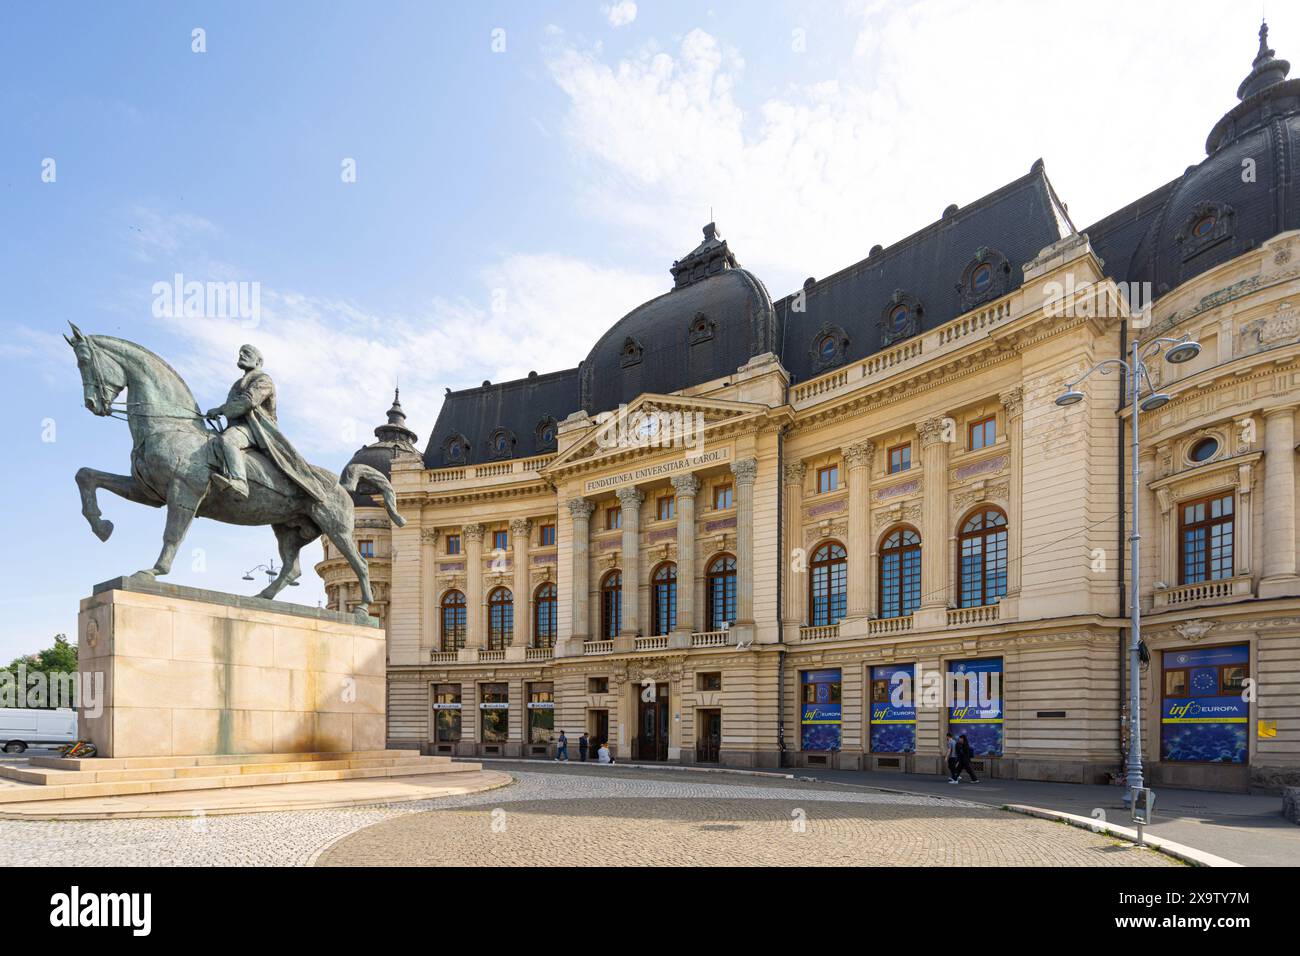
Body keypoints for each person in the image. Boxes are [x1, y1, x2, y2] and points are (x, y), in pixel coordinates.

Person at [205, 344, 325, 502]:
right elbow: (232, 406)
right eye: (240, 352)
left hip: (256, 430)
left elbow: (249, 401)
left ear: (258, 361)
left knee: (229, 440)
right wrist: (219, 412)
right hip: (237, 425)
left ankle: (239, 481)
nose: (241, 355)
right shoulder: (237, 384)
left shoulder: (264, 380)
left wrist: (220, 409)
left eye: (247, 353)